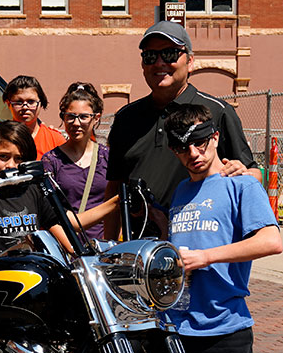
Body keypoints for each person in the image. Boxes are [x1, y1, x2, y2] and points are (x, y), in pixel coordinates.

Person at [163, 103, 282, 353]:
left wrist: (205, 257)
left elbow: (271, 241)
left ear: (215, 137)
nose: (193, 154)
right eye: (182, 148)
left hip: (223, 330)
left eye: (200, 143)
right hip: (177, 329)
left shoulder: (242, 184)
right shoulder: (181, 190)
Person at [104, 21, 255, 239]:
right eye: (150, 56)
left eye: (170, 54)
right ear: (143, 64)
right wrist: (110, 249)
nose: (159, 63)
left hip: (200, 244)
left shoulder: (217, 112)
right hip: (140, 249)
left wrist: (241, 172)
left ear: (190, 62)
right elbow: (115, 189)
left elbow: (253, 174)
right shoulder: (125, 118)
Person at [0, 121, 71, 260]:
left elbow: (56, 223)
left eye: (19, 159)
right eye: (3, 156)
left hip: (30, 273)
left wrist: (75, 253)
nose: (11, 165)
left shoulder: (33, 189)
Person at [41, 82, 110, 240]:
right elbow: (50, 212)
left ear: (96, 118)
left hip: (105, 248)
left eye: (84, 117)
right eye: (70, 117)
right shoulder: (51, 161)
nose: (76, 123)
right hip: (69, 247)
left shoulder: (108, 157)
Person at [3, 75, 64, 157]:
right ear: (8, 103)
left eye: (31, 102)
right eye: (19, 102)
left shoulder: (55, 140)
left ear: (41, 103)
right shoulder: (0, 138)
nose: (25, 107)